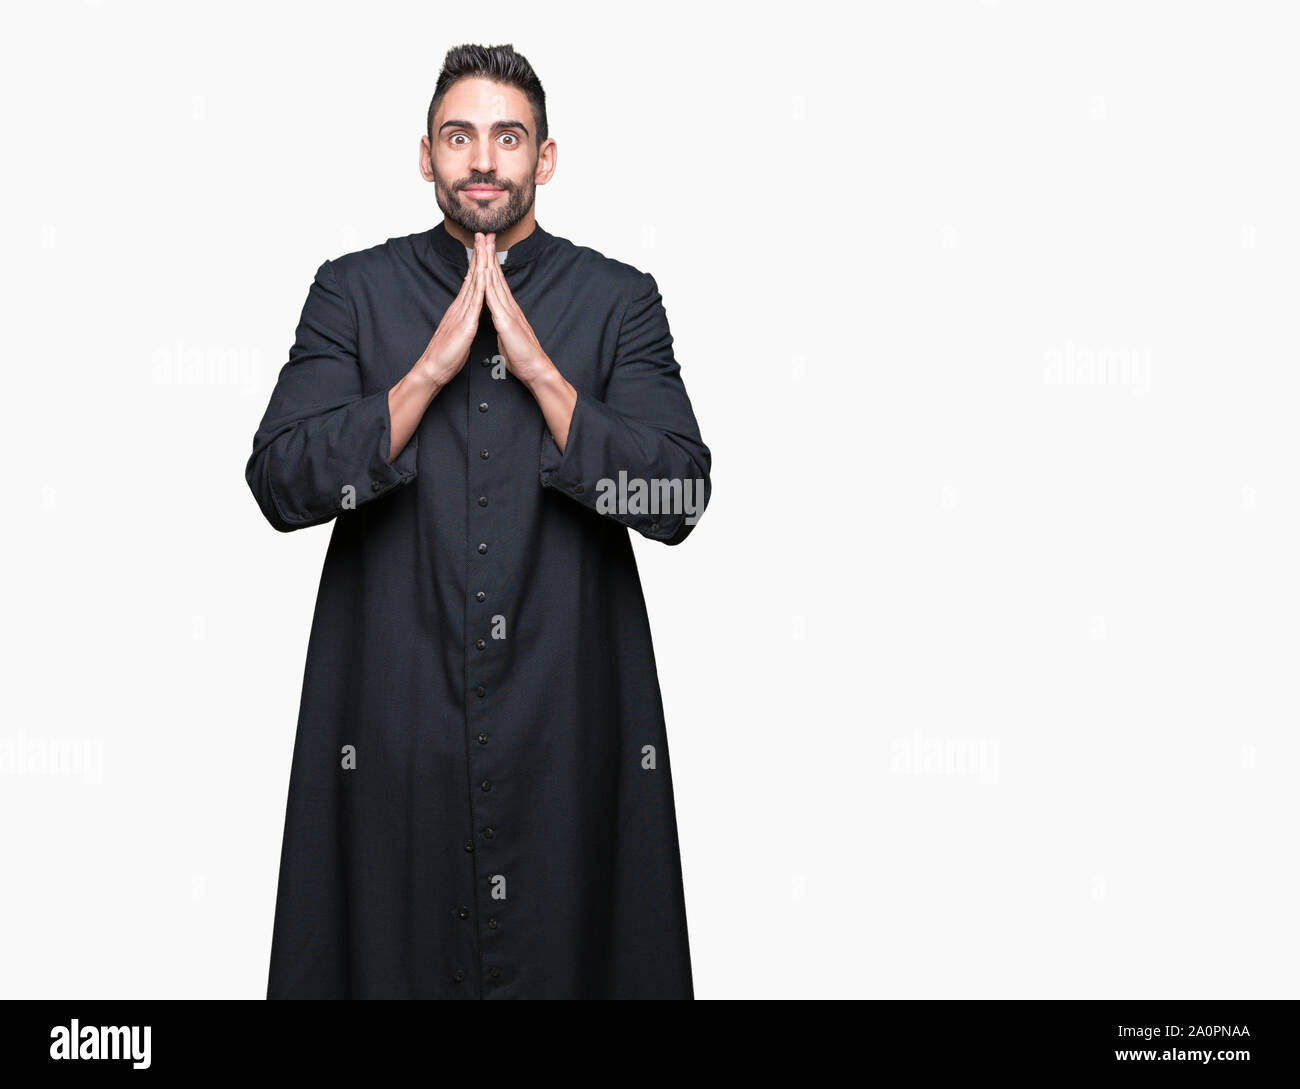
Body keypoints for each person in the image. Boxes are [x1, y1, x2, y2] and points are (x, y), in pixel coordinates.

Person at [245, 42, 711, 999]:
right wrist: (422, 375)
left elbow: (677, 499)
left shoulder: (620, 301)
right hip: (391, 729)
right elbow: (281, 482)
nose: (484, 160)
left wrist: (544, 374)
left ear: (545, 157)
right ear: (426, 156)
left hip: (567, 727)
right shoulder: (353, 292)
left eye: (508, 137)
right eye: (460, 137)